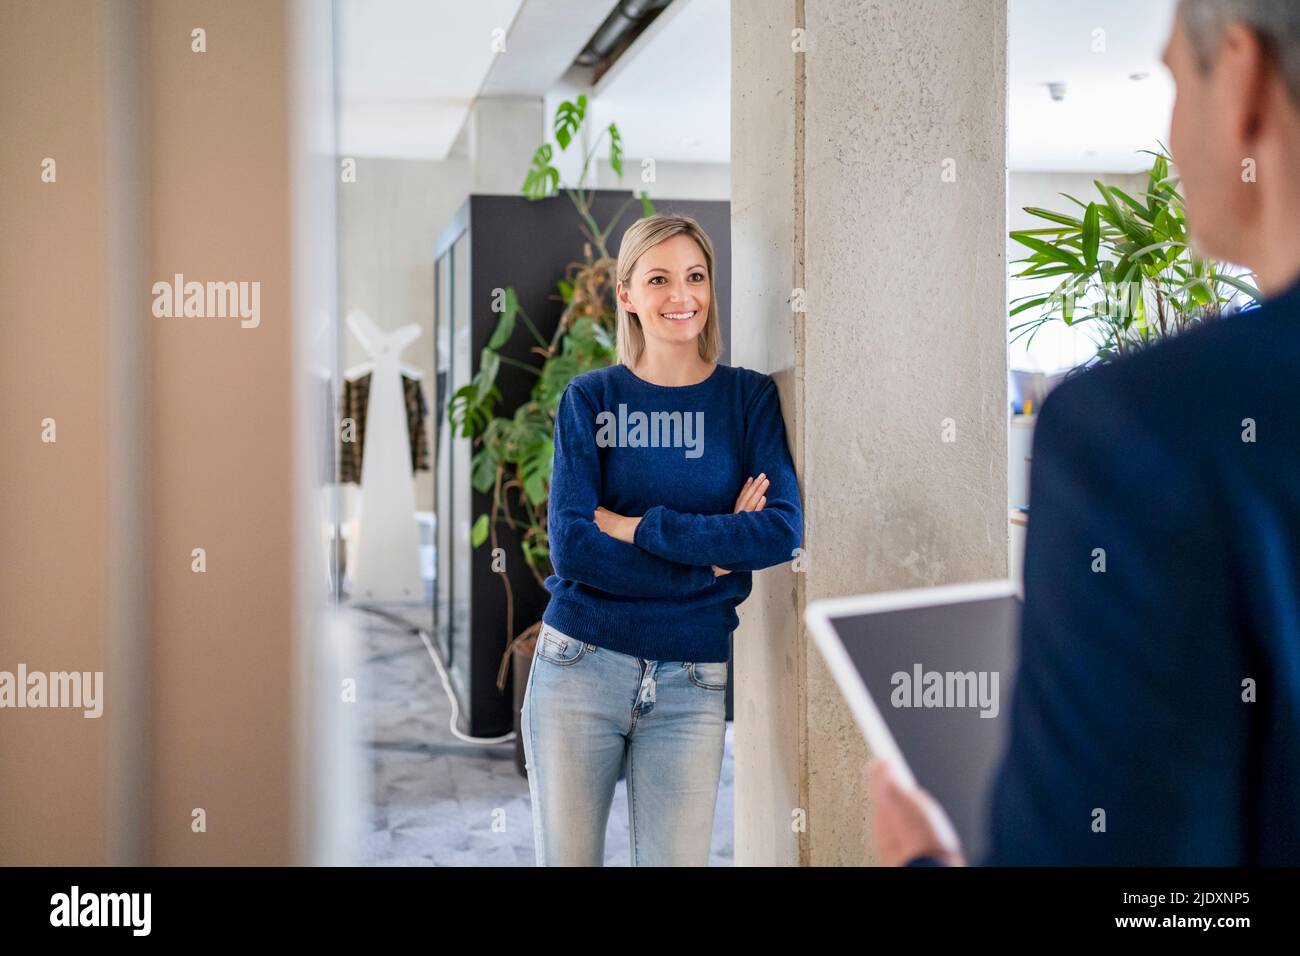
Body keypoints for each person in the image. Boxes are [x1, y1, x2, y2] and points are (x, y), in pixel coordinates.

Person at [872, 0, 1300, 866]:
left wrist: (924, 861)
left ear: (1246, 81)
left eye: (1177, 79)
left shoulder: (1143, 432)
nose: (1172, 139)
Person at [522, 214, 804, 866]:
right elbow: (573, 547)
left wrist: (640, 528)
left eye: (696, 276)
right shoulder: (590, 399)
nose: (683, 297)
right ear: (626, 294)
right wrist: (713, 563)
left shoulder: (747, 399)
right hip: (577, 669)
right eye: (659, 279)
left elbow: (781, 530)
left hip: (691, 684)